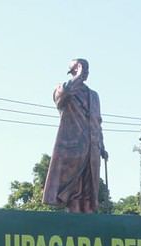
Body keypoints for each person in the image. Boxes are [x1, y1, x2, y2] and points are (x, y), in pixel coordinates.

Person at [42, 58, 108, 213]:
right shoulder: (63, 89)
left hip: (92, 147)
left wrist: (101, 146)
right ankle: (74, 212)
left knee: (90, 187)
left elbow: (97, 122)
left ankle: (87, 213)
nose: (85, 73)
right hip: (72, 147)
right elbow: (62, 97)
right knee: (73, 187)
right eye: (81, 69)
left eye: (86, 70)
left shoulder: (94, 96)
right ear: (73, 72)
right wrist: (77, 77)